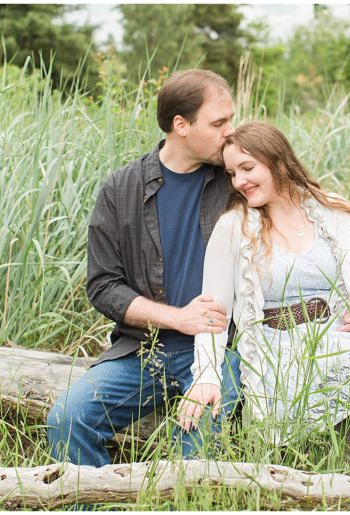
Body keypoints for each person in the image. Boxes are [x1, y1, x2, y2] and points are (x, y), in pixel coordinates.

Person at [179, 122, 350, 444]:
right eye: (232, 173)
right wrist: (206, 376)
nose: (239, 181)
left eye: (247, 168)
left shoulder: (331, 212)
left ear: (278, 161)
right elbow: (214, 314)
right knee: (296, 442)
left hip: (338, 341)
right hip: (277, 356)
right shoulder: (233, 227)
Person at [46, 69, 243, 466]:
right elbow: (103, 286)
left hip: (219, 352)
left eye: (231, 120)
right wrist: (178, 319)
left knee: (196, 444)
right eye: (219, 122)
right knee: (68, 419)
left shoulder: (236, 179)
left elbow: (297, 227)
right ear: (180, 125)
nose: (230, 132)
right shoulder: (121, 189)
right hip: (142, 351)